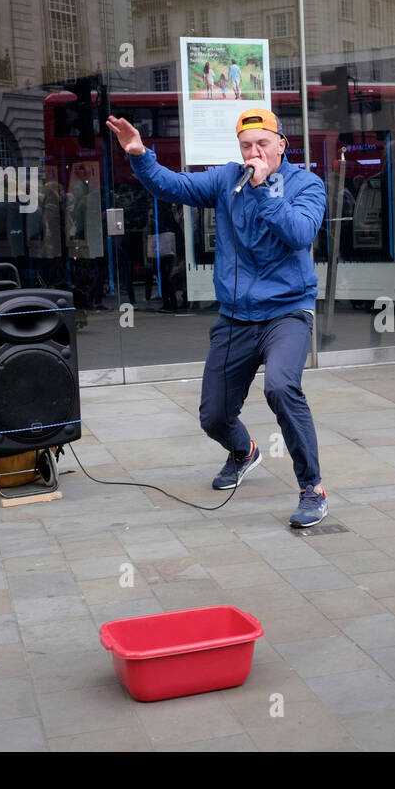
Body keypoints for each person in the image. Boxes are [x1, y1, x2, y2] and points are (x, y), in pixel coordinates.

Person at [104, 108, 331, 526]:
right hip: (237, 316)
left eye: (263, 144)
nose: (254, 152)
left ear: (282, 144)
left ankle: (311, 489)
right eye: (246, 146)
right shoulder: (227, 179)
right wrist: (139, 154)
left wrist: (262, 190)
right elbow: (173, 186)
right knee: (213, 416)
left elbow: (300, 233)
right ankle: (244, 451)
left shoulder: (307, 185)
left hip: (287, 311)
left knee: (281, 387)